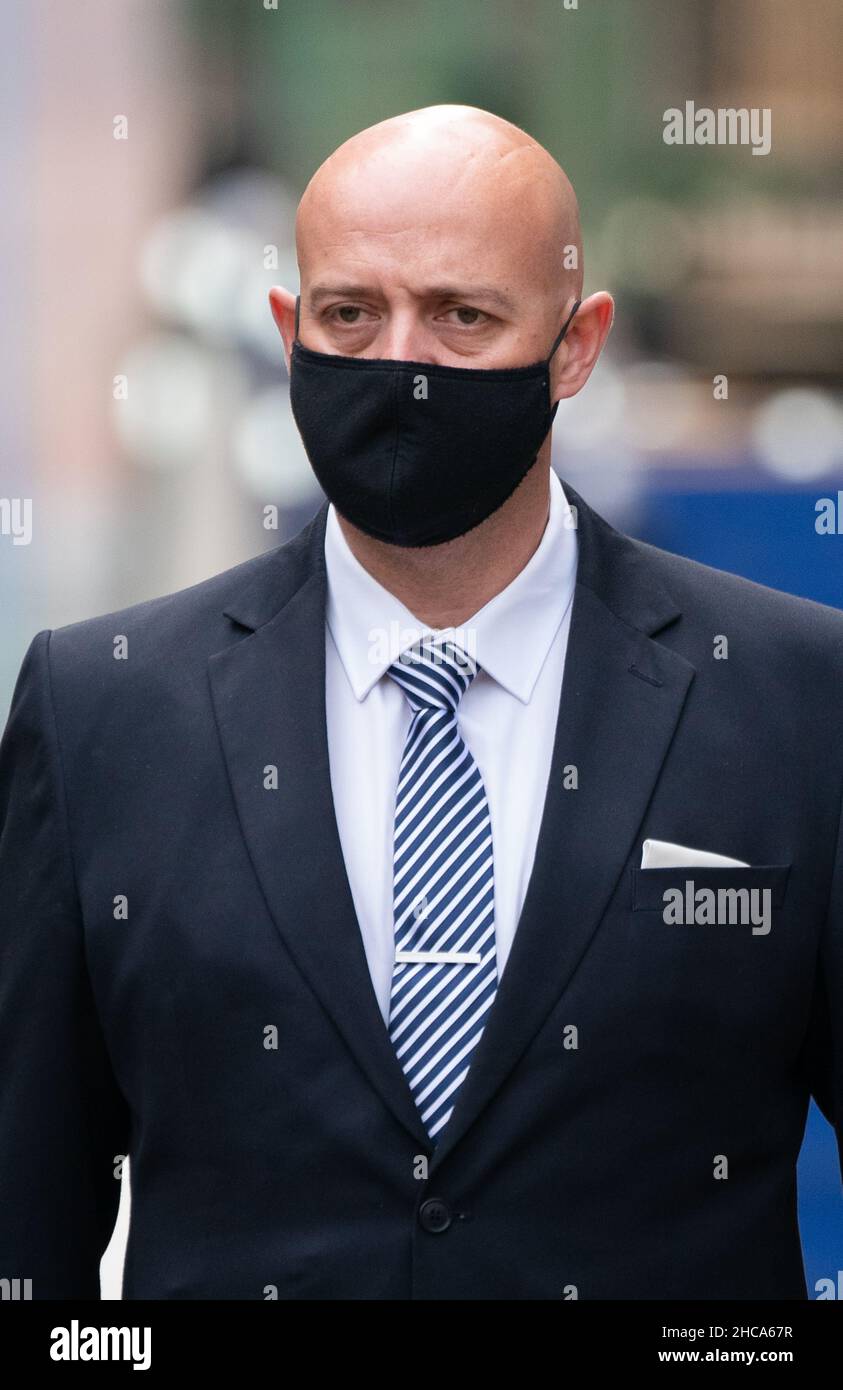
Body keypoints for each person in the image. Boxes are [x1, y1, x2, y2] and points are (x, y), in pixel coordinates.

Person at [0, 104, 840, 1301]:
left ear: (575, 345)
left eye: (462, 316)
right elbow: (28, 1226)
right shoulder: (104, 713)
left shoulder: (799, 701)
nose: (402, 367)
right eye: (352, 314)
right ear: (288, 330)